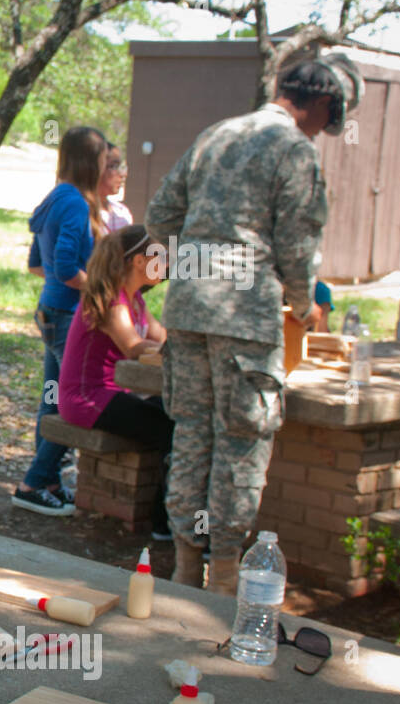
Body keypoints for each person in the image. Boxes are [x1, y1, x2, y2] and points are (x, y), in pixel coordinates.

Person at [146, 54, 362, 594]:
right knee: (241, 443)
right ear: (319, 102)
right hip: (246, 321)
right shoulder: (294, 150)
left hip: (189, 310)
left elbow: (162, 215)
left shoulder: (216, 134)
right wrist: (302, 302)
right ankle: (222, 576)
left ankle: (183, 565)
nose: (325, 128)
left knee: (192, 434)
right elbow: (297, 243)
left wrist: (198, 261)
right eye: (328, 117)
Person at [58, 224, 173, 539]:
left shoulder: (135, 300)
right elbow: (134, 347)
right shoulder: (112, 299)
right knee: (170, 427)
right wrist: (178, 351)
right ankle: (164, 524)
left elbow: (161, 337)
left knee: (172, 413)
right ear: (139, 262)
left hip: (110, 396)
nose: (166, 265)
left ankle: (165, 519)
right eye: (161, 258)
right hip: (87, 399)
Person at [15, 125, 108, 516]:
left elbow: (39, 264)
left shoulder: (56, 198)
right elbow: (67, 266)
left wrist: (61, 277)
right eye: (105, 157)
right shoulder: (74, 204)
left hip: (50, 310)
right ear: (91, 160)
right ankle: (33, 481)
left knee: (52, 397)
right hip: (68, 316)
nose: (107, 165)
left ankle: (48, 477)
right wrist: (102, 289)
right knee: (72, 401)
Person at [100, 144, 133, 232]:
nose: (123, 174)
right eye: (114, 166)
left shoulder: (122, 212)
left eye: (122, 167)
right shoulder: (80, 211)